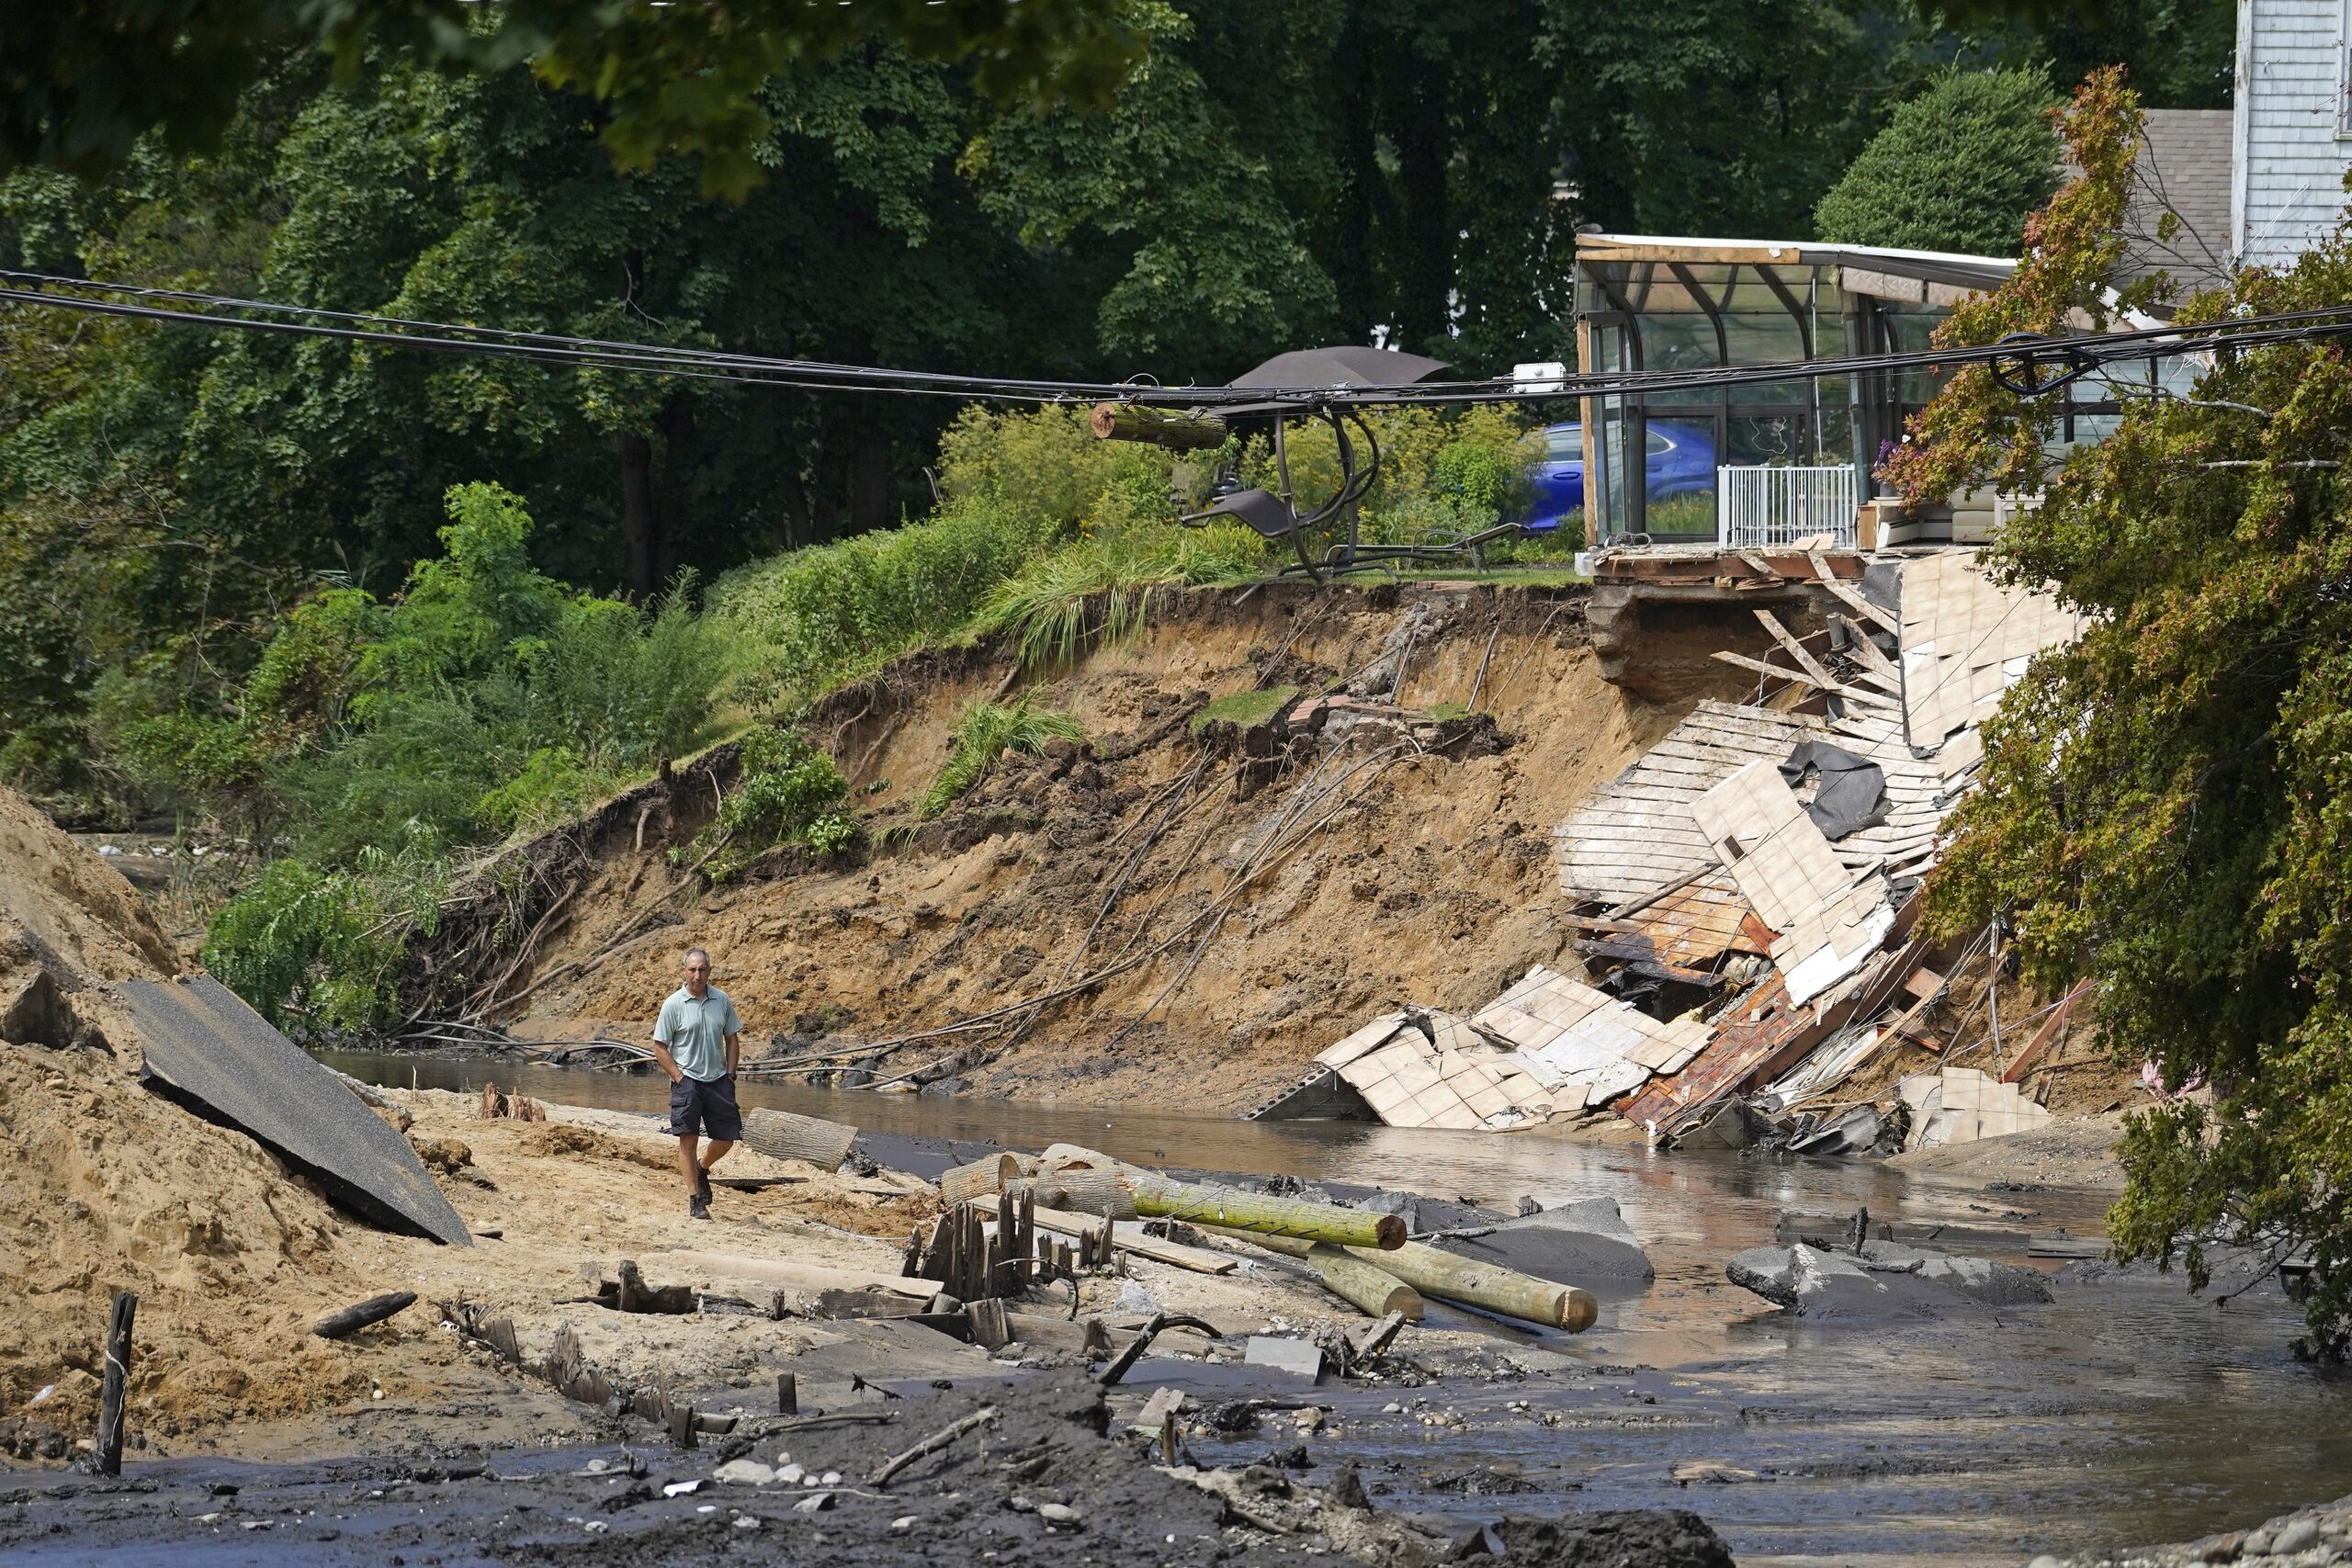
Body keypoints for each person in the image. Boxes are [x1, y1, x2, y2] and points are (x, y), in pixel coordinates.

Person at [651, 948, 743, 1219]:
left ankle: (703, 1168)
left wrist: (730, 1074)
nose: (697, 975)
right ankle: (695, 1200)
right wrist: (679, 1078)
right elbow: (659, 1046)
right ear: (684, 971)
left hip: (718, 1079)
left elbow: (732, 1038)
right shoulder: (673, 1004)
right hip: (687, 1080)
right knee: (688, 1139)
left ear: (709, 972)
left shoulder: (722, 1000)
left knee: (727, 1138)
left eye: (702, 969)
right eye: (692, 970)